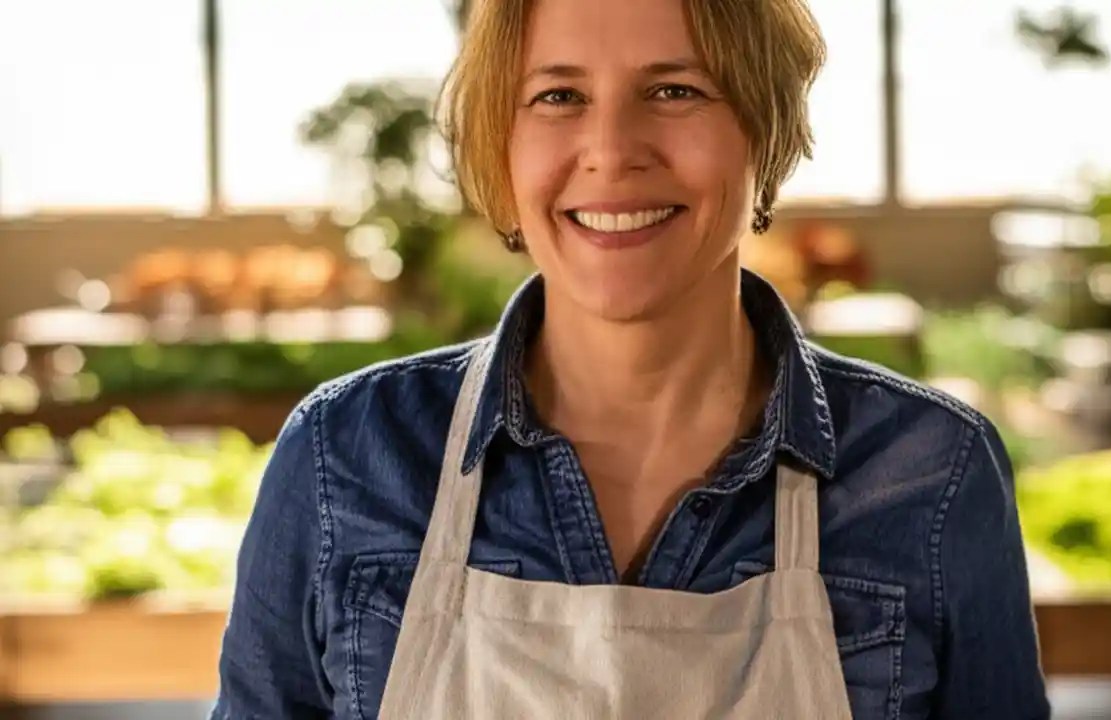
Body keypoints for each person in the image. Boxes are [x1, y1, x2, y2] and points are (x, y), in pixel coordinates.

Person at [212, 0, 1051, 717]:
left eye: (674, 90)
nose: (612, 149)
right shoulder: (342, 456)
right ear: (501, 142)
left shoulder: (931, 475)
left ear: (764, 124)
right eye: (558, 94)